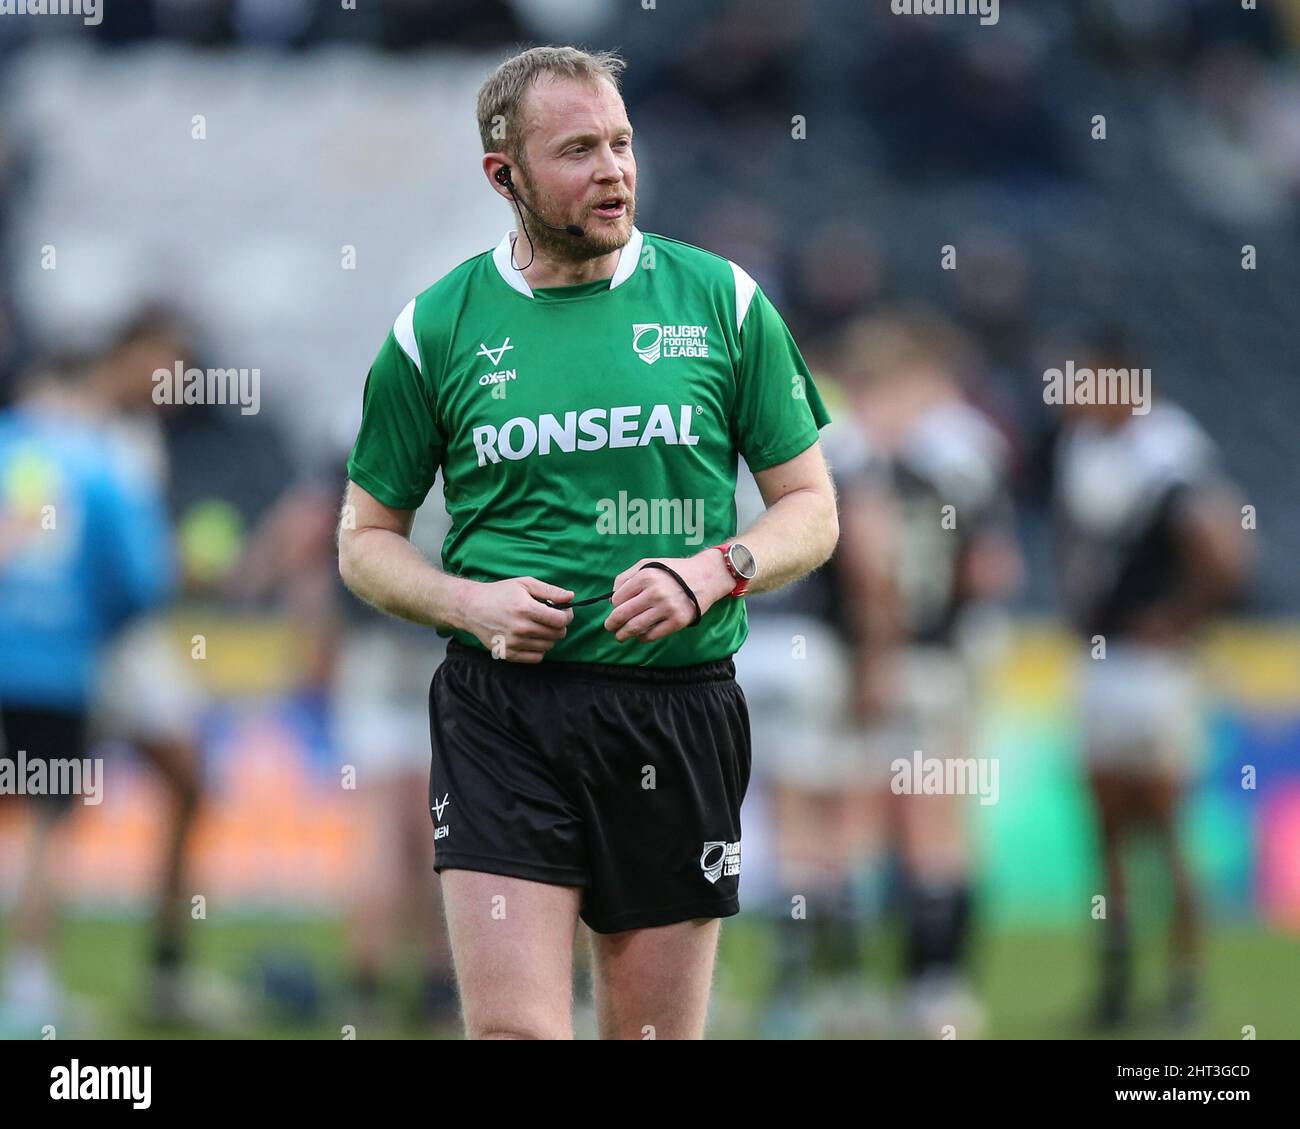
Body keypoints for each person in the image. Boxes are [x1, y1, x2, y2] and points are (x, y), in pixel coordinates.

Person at [337, 46, 838, 1040]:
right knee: (513, 1030)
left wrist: (715, 571)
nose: (612, 169)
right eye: (577, 150)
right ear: (504, 176)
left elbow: (810, 510)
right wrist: (466, 602)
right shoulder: (434, 330)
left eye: (621, 143)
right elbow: (364, 539)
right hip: (502, 714)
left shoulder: (720, 303)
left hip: (675, 710)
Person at [1051, 332, 1251, 1030]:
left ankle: (1184, 984)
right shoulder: (1086, 449)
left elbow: (1224, 547)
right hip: (1101, 660)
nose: (1072, 394)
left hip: (1155, 668)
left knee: (1164, 825)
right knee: (1104, 827)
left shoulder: (1171, 449)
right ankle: (1115, 985)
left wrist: (1179, 619)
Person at [835, 310, 1022, 1036]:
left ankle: (852, 986)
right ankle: (938, 985)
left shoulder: (853, 448)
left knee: (860, 825)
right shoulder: (967, 451)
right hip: (945, 657)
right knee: (939, 827)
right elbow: (993, 568)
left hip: (878, 657)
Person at [0, 353, 174, 1035]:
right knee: (47, 825)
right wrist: (95, 632)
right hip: (56, 669)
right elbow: (141, 578)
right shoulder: (97, 465)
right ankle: (31, 991)